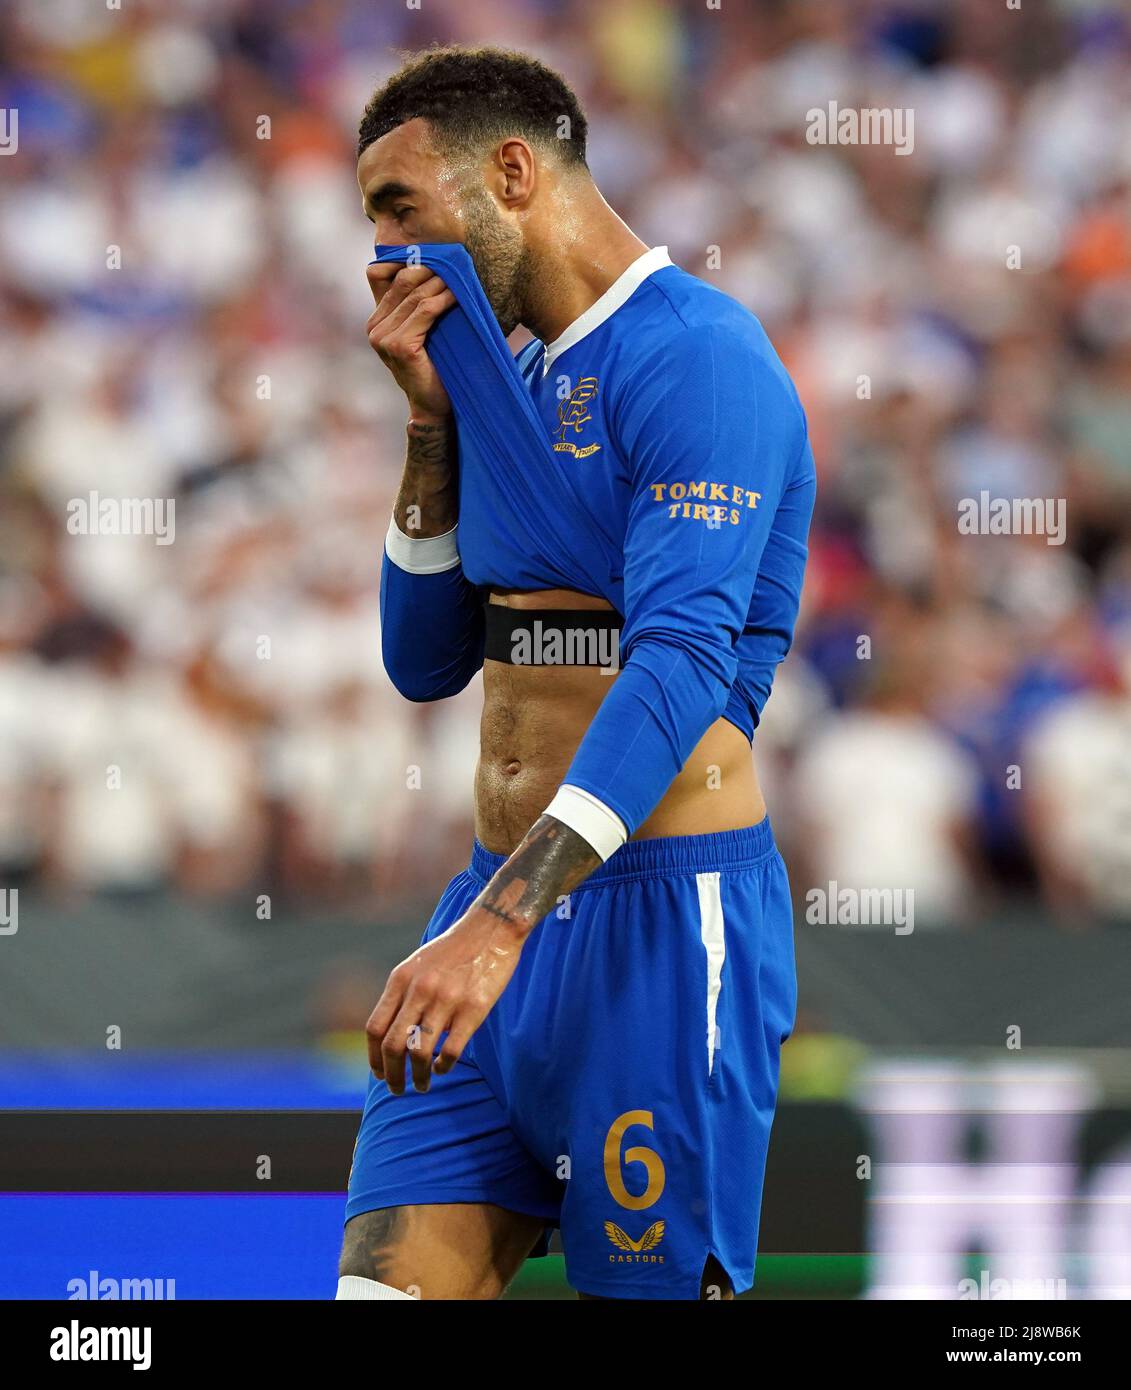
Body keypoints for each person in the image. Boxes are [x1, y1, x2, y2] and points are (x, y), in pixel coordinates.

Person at [337, 45, 816, 1301]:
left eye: (399, 211)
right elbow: (424, 659)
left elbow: (675, 664)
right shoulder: (509, 373)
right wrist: (431, 427)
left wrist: (497, 932)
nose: (382, 254)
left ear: (508, 173)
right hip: (492, 911)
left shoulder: (700, 358)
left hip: (659, 922)